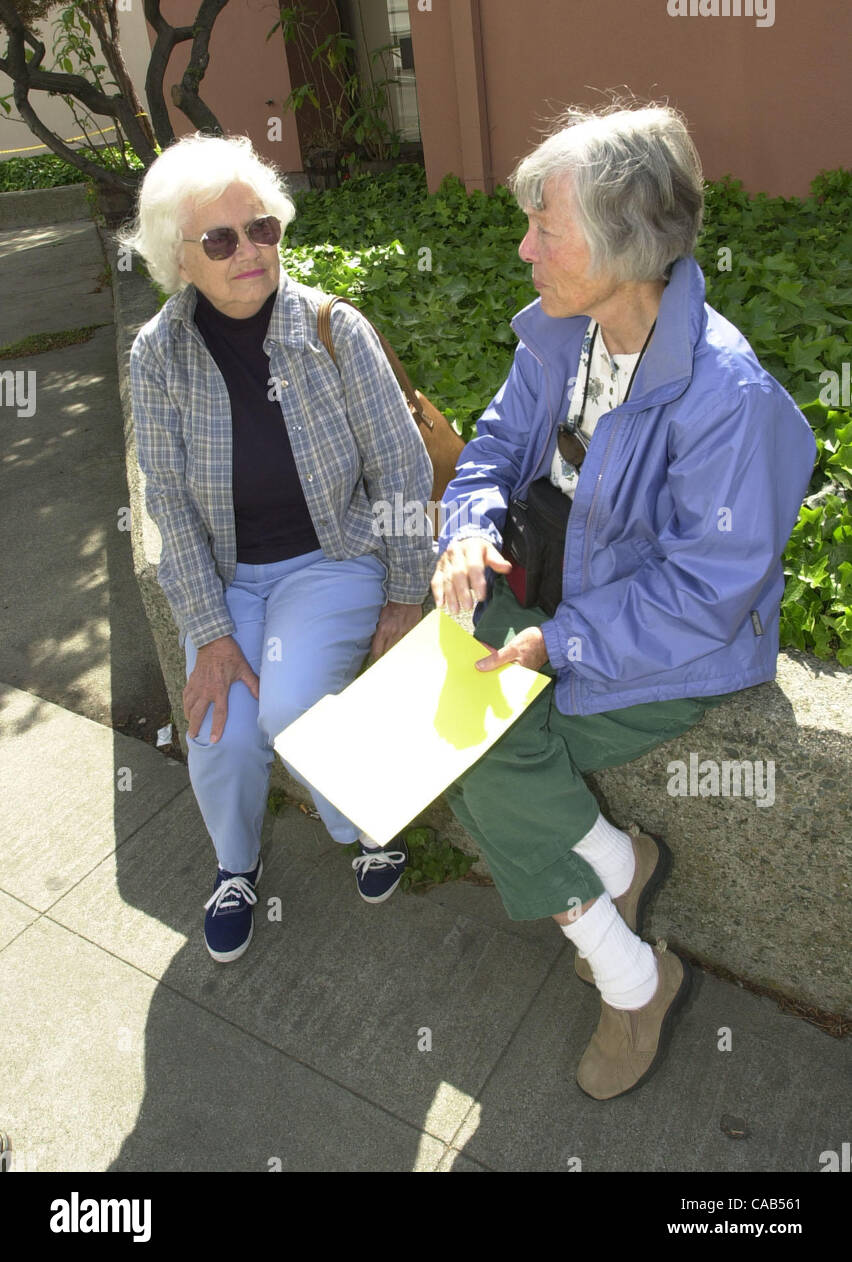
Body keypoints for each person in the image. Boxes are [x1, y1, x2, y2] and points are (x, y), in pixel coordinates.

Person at [431, 103, 816, 1101]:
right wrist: (467, 527)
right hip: (558, 587)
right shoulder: (566, 334)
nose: (524, 248)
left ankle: (627, 965)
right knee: (460, 710)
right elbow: (488, 452)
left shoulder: (724, 395)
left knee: (477, 742)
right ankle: (614, 871)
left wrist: (560, 640)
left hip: (669, 648)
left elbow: (706, 595)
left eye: (544, 230)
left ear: (626, 244)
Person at [124, 133, 434, 962]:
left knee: (293, 705)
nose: (248, 252)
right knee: (219, 728)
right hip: (227, 578)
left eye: (261, 228)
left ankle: (367, 826)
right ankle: (236, 865)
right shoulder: (156, 358)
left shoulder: (333, 329)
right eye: (219, 241)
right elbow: (171, 508)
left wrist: (407, 594)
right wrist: (212, 636)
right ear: (178, 261)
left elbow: (401, 465)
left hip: (331, 558)